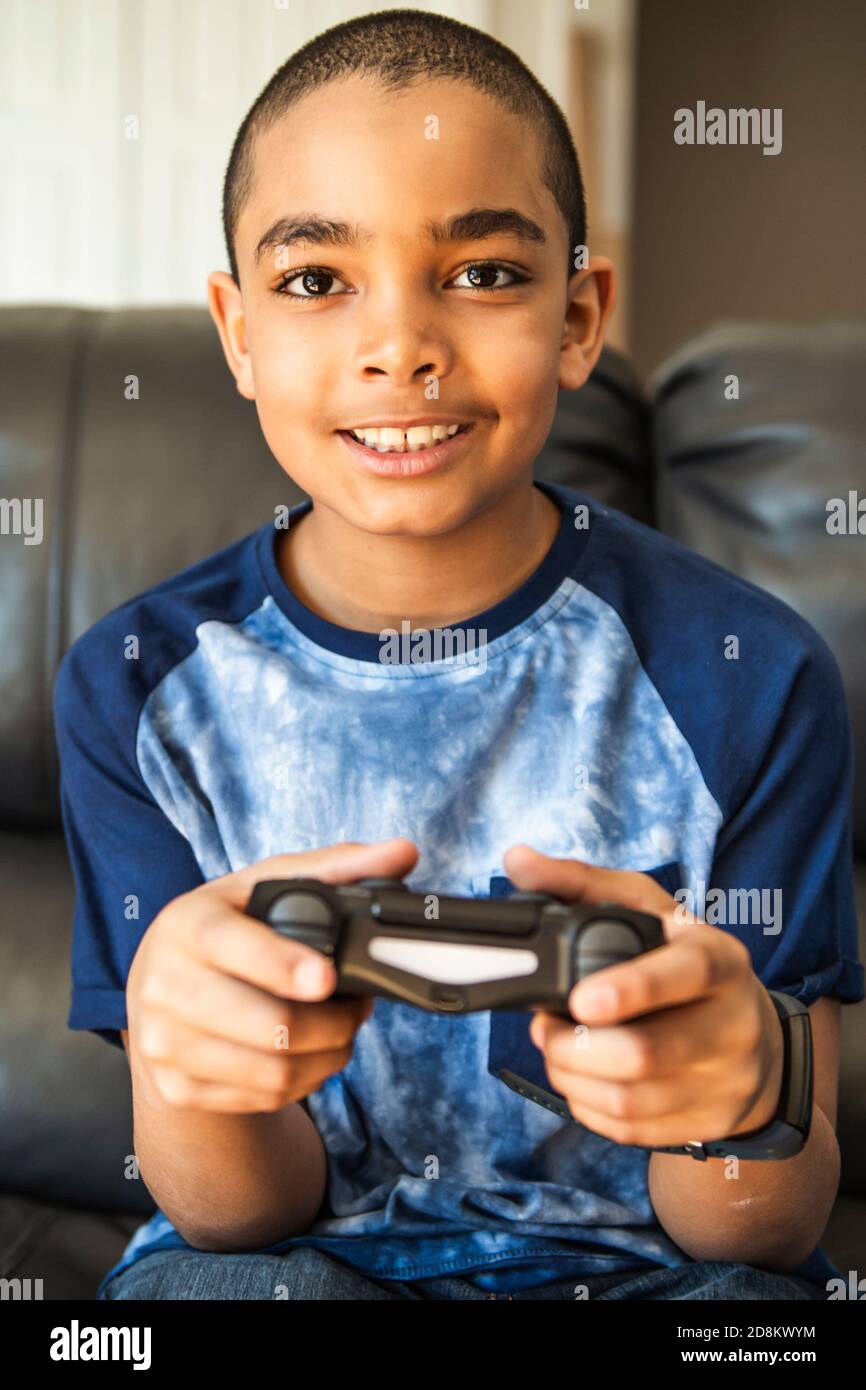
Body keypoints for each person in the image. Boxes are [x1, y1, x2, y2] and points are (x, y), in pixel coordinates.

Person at [53, 9, 863, 1301]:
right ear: (239, 330)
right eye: (317, 280)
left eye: (483, 271)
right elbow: (231, 1213)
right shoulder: (139, 683)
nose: (400, 345)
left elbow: (752, 1231)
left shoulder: (751, 674)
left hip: (645, 1269)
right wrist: (182, 1045)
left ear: (580, 314)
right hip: (291, 1261)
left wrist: (743, 1091)